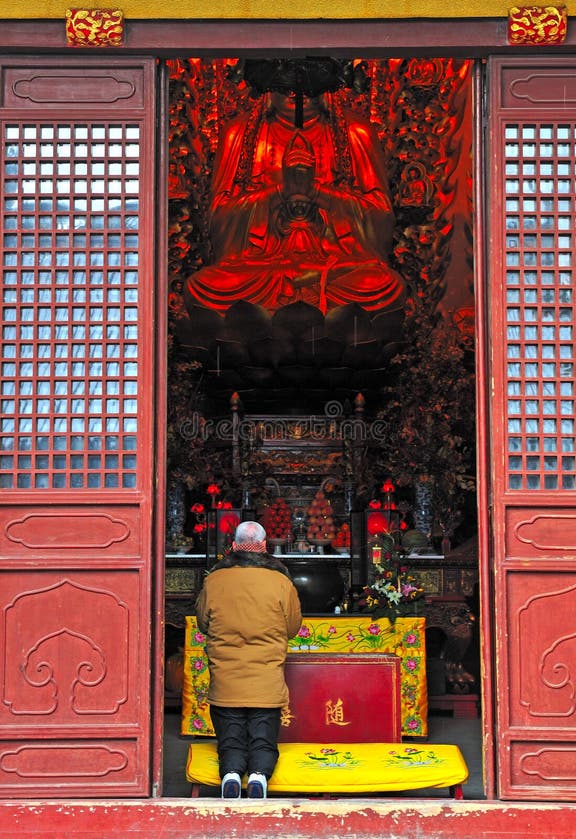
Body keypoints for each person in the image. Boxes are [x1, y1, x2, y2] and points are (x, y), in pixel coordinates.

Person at [184, 59, 405, 316]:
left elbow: (380, 220)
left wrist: (319, 194)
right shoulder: (238, 133)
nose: (296, 94)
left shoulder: (356, 131)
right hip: (262, 268)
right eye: (285, 82)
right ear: (266, 87)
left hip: (334, 266)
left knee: (383, 285)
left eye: (307, 87)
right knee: (204, 287)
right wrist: (278, 193)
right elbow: (219, 222)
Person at [195, 520, 302, 799]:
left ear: (233, 546)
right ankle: (258, 777)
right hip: (265, 678)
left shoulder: (214, 580)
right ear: (264, 547)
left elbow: (203, 622)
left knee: (230, 737)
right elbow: (292, 627)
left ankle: (230, 775)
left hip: (226, 677)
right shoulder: (281, 581)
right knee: (263, 736)